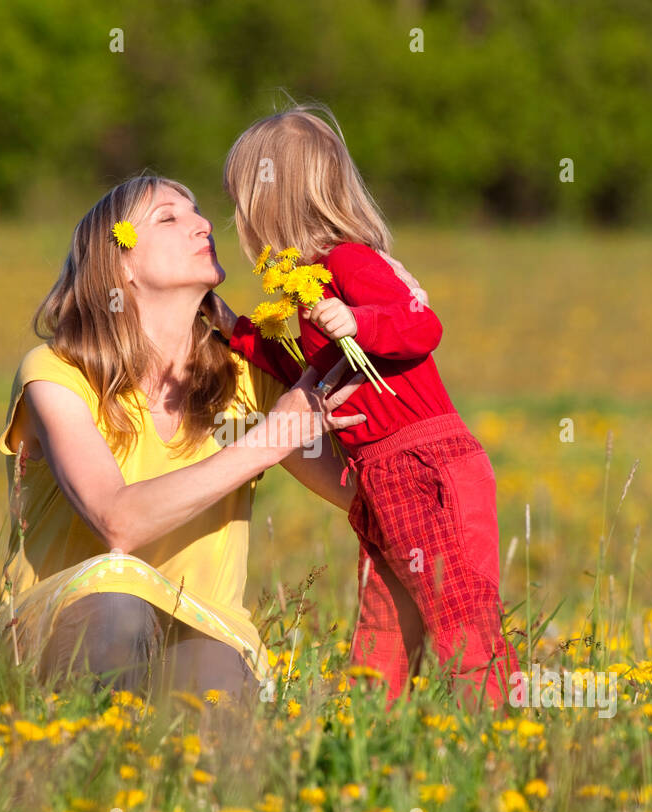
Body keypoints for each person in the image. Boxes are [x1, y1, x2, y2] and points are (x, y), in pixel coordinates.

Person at [0, 173, 366, 718]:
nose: (202, 223)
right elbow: (118, 523)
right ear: (119, 264)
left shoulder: (248, 377)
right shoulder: (56, 373)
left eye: (196, 211)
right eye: (169, 217)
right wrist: (274, 436)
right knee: (119, 605)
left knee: (213, 684)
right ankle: (74, 779)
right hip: (61, 622)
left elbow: (360, 493)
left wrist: (385, 317)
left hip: (203, 626)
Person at [207, 104, 520, 712]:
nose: (238, 218)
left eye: (241, 200)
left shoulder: (350, 262)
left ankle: (503, 734)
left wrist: (361, 321)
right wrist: (235, 332)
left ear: (277, 203)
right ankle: (363, 739)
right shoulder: (306, 285)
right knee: (384, 626)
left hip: (422, 462)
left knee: (459, 613)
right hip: (382, 476)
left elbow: (422, 325)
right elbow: (312, 376)